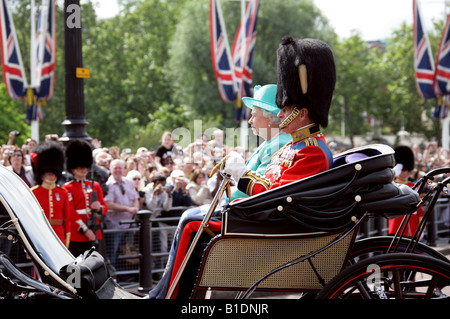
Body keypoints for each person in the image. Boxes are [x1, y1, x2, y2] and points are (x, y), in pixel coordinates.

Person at [148, 37, 336, 299]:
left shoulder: (311, 151)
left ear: (301, 114)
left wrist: (241, 175)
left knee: (192, 223)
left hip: (274, 225)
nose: (280, 114)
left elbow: (276, 197)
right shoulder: (297, 146)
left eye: (286, 109)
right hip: (265, 217)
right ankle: (169, 291)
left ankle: (171, 296)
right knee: (193, 218)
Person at [63, 140, 108, 258]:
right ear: (73, 169)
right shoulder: (68, 187)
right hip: (77, 234)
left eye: (84, 167)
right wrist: (85, 230)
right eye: (80, 167)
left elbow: (105, 207)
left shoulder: (95, 185)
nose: (83, 169)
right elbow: (71, 212)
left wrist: (99, 207)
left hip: (95, 231)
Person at [30, 142, 72, 246]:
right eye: (48, 173)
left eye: (53, 174)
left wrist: (66, 240)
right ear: (42, 174)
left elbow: (67, 219)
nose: (51, 176)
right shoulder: (33, 193)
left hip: (59, 235)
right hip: (41, 233)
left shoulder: (63, 193)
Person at [103, 159, 140, 270]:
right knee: (113, 253)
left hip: (129, 224)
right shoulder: (108, 185)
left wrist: (136, 209)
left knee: (126, 251)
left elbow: (135, 198)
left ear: (124, 169)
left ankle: (125, 276)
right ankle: (114, 278)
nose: (118, 170)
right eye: (115, 168)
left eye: (120, 168)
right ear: (111, 169)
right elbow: (108, 204)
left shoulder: (128, 182)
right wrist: (128, 209)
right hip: (115, 226)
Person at [388, 145, 424, 237]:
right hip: (397, 224)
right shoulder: (392, 184)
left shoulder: (414, 186)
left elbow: (419, 206)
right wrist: (393, 173)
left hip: (412, 225)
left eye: (406, 170)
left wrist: (421, 225)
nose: (404, 172)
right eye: (403, 170)